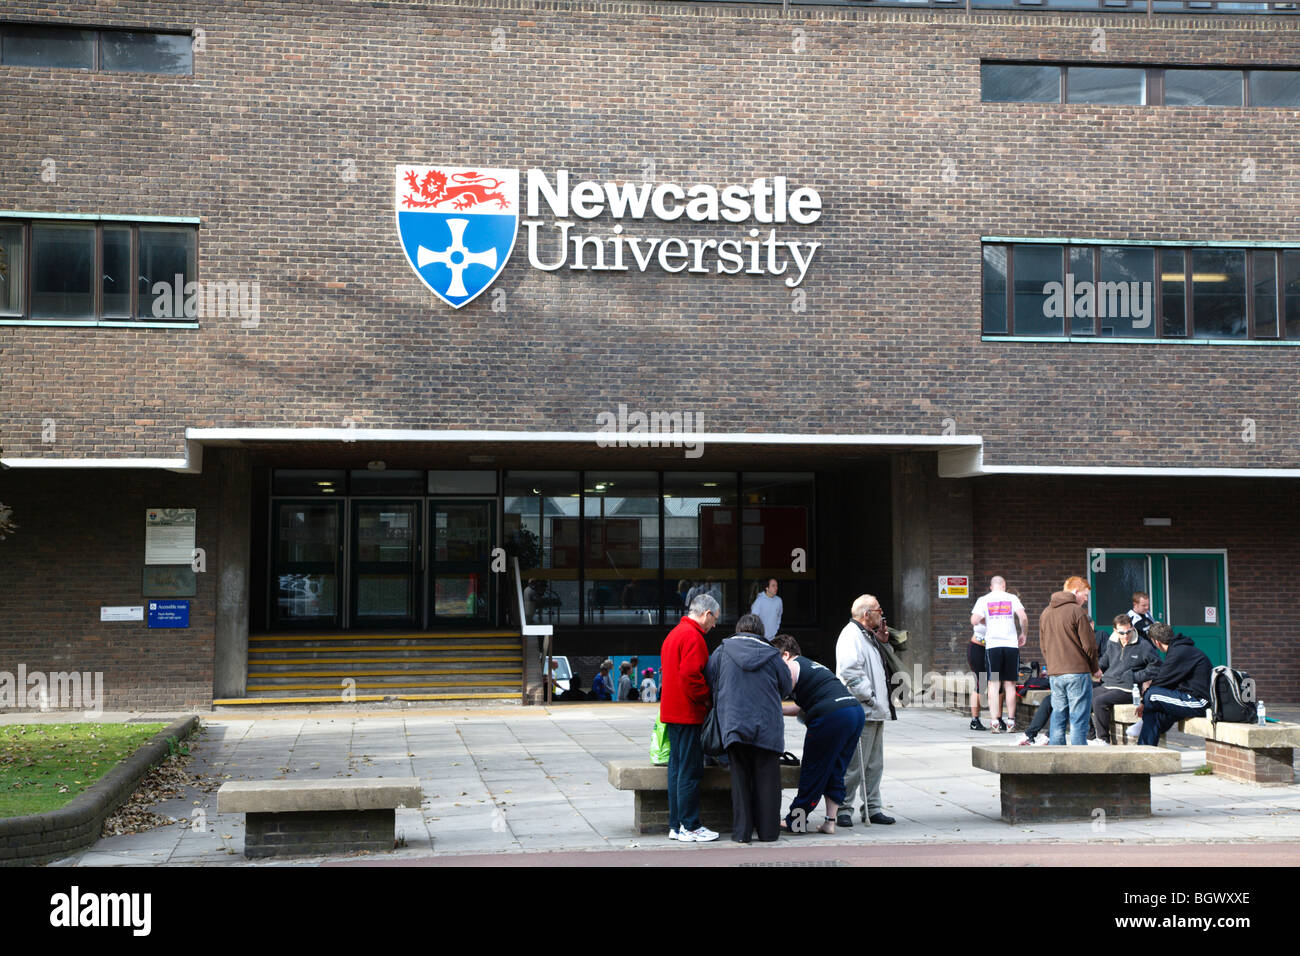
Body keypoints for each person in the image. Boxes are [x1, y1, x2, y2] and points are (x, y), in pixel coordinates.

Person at [706, 612, 792, 843]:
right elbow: (785, 687)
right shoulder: (773, 655)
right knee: (768, 781)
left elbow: (711, 680)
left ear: (738, 629)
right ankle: (768, 832)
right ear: (761, 632)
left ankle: (742, 833)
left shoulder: (722, 651)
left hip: (734, 724)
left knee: (740, 779)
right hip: (768, 726)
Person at [770, 634, 864, 834]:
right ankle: (830, 822)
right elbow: (802, 705)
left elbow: (787, 686)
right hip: (853, 712)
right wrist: (775, 709)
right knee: (835, 770)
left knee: (813, 771)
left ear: (786, 655)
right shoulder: (812, 666)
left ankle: (796, 822)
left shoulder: (791, 665)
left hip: (830, 717)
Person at [659, 593, 721, 843]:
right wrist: (707, 698)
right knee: (690, 771)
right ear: (706, 614)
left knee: (676, 770)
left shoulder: (674, 634)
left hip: (673, 713)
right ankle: (690, 825)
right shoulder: (694, 637)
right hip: (688, 714)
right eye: (714, 619)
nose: (714, 624)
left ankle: (676, 825)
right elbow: (691, 677)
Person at [835, 594, 896, 827]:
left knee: (874, 764)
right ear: (866, 614)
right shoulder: (851, 635)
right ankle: (843, 807)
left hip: (874, 710)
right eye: (879, 610)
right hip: (863, 709)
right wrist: (869, 697)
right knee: (854, 764)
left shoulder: (868, 636)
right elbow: (850, 671)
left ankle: (873, 807)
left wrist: (882, 641)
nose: (882, 614)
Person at [1039, 576, 1102, 745]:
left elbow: (1043, 645)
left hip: (1055, 673)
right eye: (1085, 595)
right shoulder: (1077, 612)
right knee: (1078, 718)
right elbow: (1089, 645)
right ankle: (1078, 760)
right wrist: (1095, 668)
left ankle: (1057, 758)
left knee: (1058, 716)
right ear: (1075, 592)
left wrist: (1052, 664)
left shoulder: (1046, 613)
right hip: (1077, 673)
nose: (1086, 599)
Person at [1136, 623, 1212, 746]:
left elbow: (1161, 680)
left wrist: (1143, 703)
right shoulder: (1179, 649)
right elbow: (1166, 680)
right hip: (1186, 697)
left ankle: (1142, 729)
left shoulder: (1179, 652)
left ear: (1156, 642)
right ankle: (1145, 751)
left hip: (1198, 702)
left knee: (1151, 695)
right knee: (1154, 715)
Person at [1091, 615, 1163, 744]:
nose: (1125, 636)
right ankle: (1090, 736)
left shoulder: (1143, 645)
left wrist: (1134, 677)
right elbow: (1106, 660)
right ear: (1115, 630)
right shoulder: (1112, 641)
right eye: (1122, 633)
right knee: (1084, 698)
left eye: (1128, 632)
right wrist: (1098, 668)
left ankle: (1103, 740)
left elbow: (1157, 667)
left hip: (1129, 689)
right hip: (1109, 683)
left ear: (1132, 628)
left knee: (1099, 701)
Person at [970, 575, 1028, 733]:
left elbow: (974, 620)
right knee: (1010, 684)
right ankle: (1010, 722)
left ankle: (995, 722)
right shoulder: (1012, 598)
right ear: (1004, 585)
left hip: (993, 645)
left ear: (991, 586)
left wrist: (987, 621)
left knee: (993, 684)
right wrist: (1023, 633)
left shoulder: (984, 599)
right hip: (1010, 645)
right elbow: (1023, 617)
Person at [968, 622, 989, 731]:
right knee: (980, 684)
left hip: (993, 648)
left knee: (997, 681)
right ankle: (975, 720)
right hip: (978, 647)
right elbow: (974, 620)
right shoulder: (982, 605)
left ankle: (998, 719)